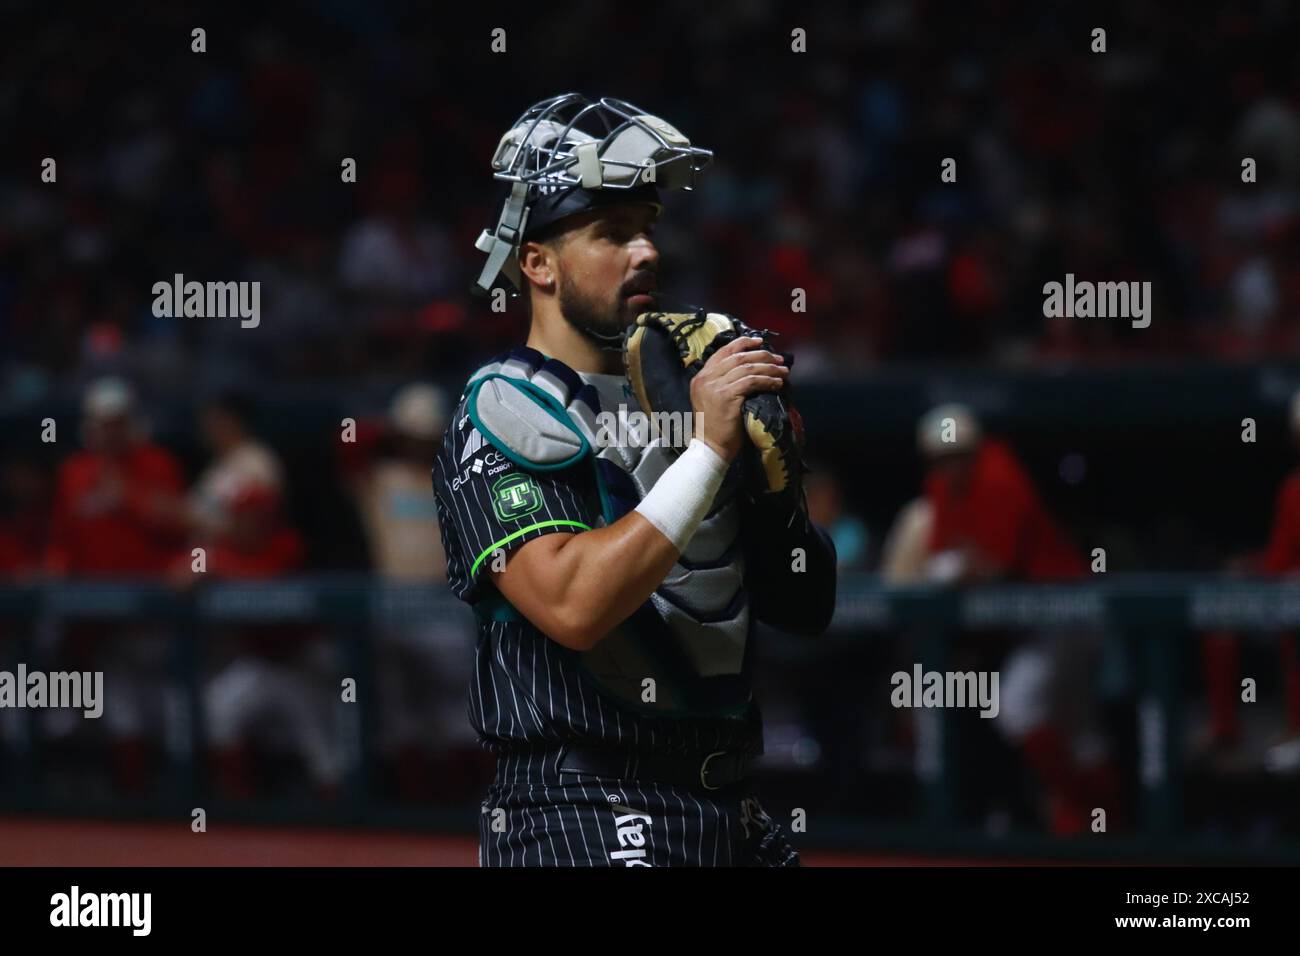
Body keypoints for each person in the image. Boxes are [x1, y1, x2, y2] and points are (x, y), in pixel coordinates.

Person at [432, 94, 836, 866]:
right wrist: (710, 453)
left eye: (648, 228)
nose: (645, 252)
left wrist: (776, 495)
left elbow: (806, 607)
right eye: (612, 234)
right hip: (578, 806)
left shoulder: (687, 391)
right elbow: (573, 606)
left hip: (728, 804)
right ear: (537, 262)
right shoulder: (504, 406)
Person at [912, 404, 1116, 835]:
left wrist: (965, 565)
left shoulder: (999, 475)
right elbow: (943, 558)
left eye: (956, 456)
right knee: (1078, 733)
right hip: (1032, 621)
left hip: (1067, 610)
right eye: (940, 459)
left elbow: (994, 566)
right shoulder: (940, 486)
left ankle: (1077, 810)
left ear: (973, 450)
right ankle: (1106, 824)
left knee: (1019, 709)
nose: (948, 468)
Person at [43, 378, 187, 792]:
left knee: (173, 710)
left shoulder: (157, 464)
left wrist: (128, 495)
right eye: (103, 423)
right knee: (120, 710)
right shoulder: (74, 472)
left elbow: (179, 524)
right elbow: (62, 541)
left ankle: (183, 797)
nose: (110, 431)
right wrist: (55, 570)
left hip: (158, 612)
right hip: (98, 619)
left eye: (118, 422)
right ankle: (133, 801)